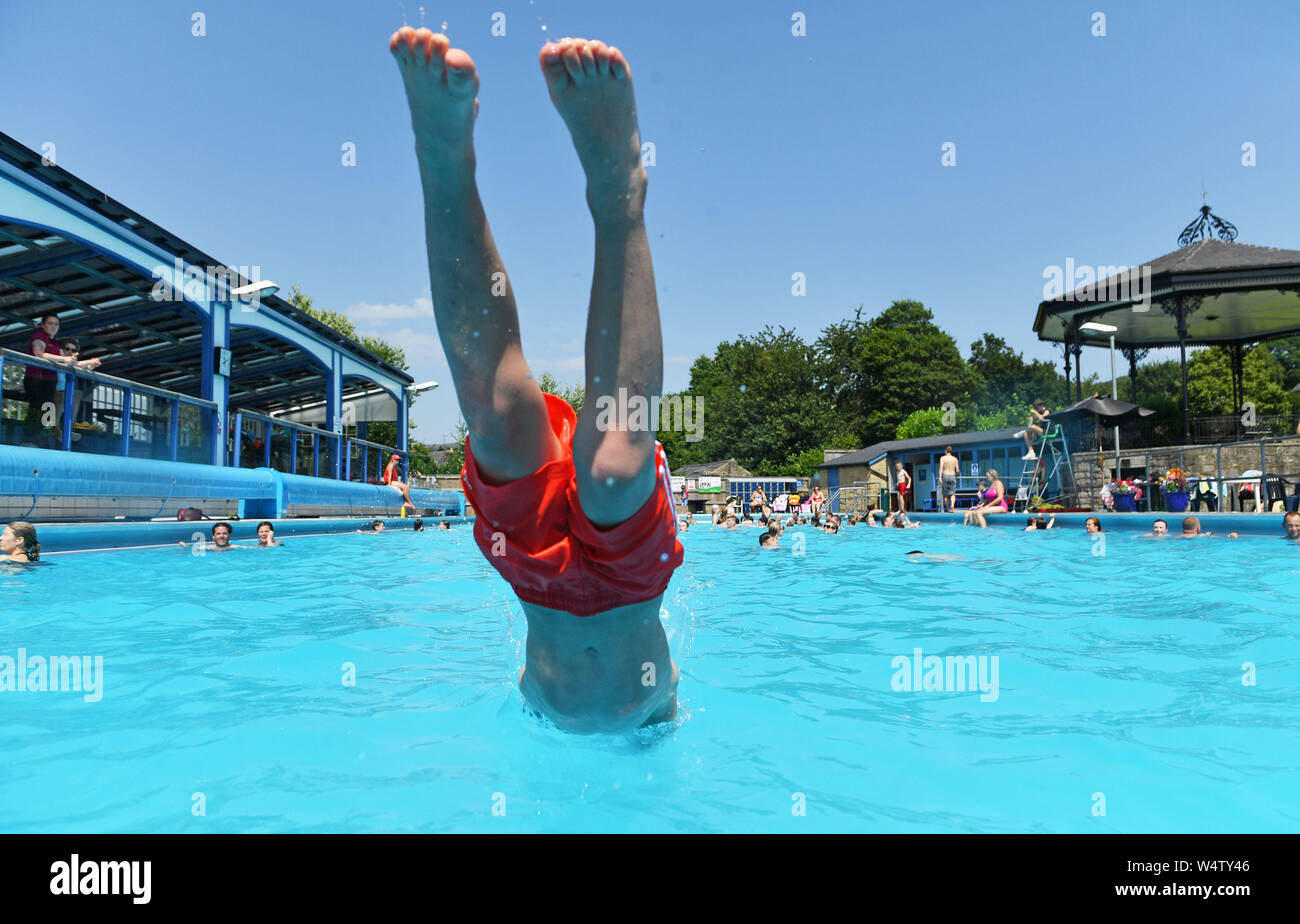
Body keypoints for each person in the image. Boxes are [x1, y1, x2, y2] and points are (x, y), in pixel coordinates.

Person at [391, 27, 686, 732]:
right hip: (630, 596)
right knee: (614, 467)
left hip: (536, 584)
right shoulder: (657, 719)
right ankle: (619, 186)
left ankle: (442, 156)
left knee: (496, 415)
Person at [937, 446, 959, 513]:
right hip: (952, 475)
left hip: (945, 475)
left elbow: (941, 467)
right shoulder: (955, 459)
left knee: (946, 494)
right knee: (953, 494)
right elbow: (957, 470)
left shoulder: (943, 458)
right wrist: (955, 476)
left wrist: (940, 477)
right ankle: (952, 505)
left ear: (946, 451)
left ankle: (948, 509)